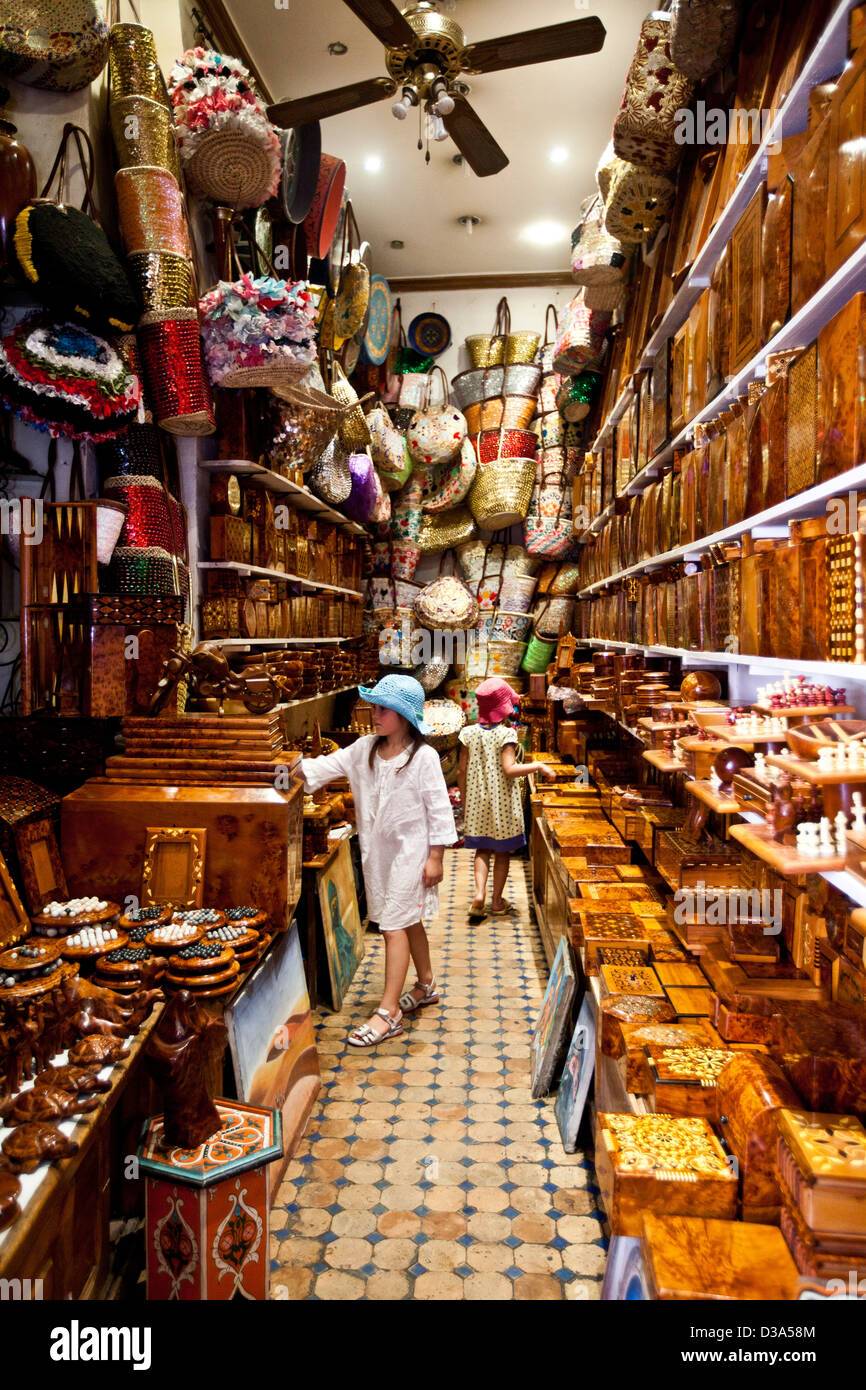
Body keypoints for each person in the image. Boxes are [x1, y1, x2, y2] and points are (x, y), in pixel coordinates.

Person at [300, 673, 457, 1048]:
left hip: (411, 854)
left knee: (393, 926)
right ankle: (427, 984)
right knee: (408, 917)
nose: (374, 714)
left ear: (403, 715)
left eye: (383, 709)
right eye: (375, 707)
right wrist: (280, 770)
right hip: (378, 854)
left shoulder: (423, 757)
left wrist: (435, 857)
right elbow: (321, 769)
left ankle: (389, 1012)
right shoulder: (365, 749)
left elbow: (439, 811)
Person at [457, 676, 556, 922]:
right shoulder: (506, 736)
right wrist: (538, 766)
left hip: (477, 803)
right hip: (502, 806)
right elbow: (509, 769)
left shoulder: (468, 733)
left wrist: (466, 798)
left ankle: (479, 894)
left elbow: (461, 771)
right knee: (501, 853)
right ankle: (498, 902)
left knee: (482, 849)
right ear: (503, 708)